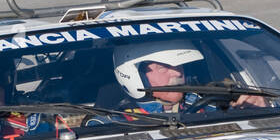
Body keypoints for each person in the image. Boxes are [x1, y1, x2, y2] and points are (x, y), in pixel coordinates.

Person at [111, 43, 265, 115]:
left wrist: (253, 111)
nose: (177, 73)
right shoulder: (114, 121)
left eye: (180, 65)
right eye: (164, 67)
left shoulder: (210, 104)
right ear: (134, 76)